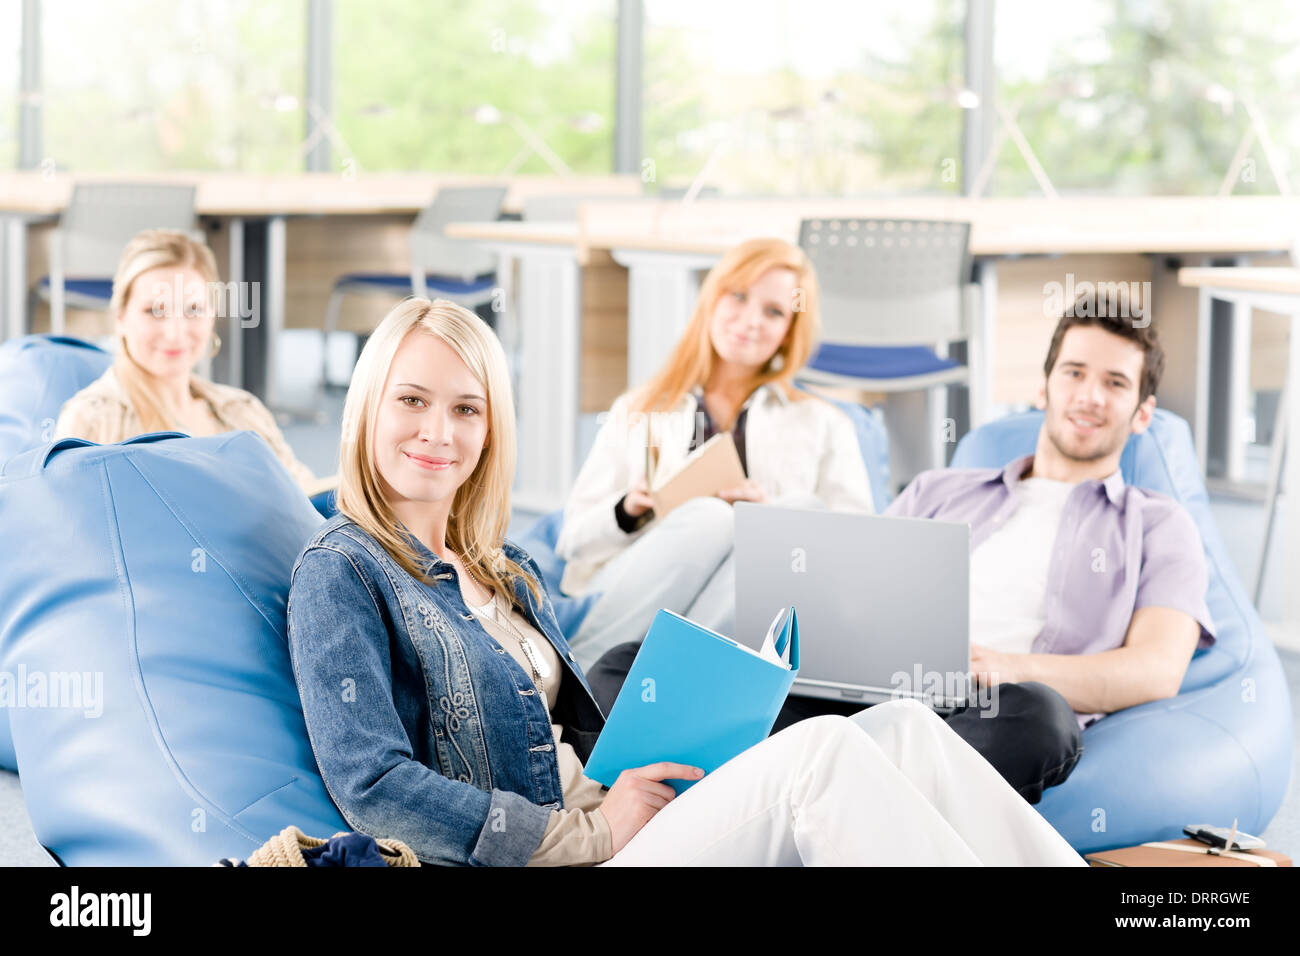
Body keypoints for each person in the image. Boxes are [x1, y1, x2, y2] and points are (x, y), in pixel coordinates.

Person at [284, 296, 1084, 866]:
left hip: (624, 806)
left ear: (492, 429)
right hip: (573, 853)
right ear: (366, 410)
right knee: (823, 757)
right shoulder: (343, 572)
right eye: (412, 401)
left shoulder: (506, 566)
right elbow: (375, 787)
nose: (438, 431)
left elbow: (563, 731)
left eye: (467, 409)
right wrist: (590, 834)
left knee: (907, 727)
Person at [769, 291, 1217, 805]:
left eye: (1115, 383)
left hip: (995, 709)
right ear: (1043, 388)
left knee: (1042, 719)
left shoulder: (1158, 523)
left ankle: (849, 802)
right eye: (1073, 373)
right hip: (888, 688)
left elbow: (1156, 670)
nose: (1090, 395)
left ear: (1142, 414)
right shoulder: (938, 489)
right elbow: (860, 597)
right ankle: (856, 796)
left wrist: (1006, 668)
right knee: (733, 677)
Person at [556, 237, 874, 674]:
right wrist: (630, 511)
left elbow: (858, 556)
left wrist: (767, 523)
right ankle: (602, 675)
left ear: (789, 331)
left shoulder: (826, 423)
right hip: (635, 593)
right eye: (738, 297)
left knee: (796, 511)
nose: (751, 321)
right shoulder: (640, 409)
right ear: (712, 300)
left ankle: (671, 681)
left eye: (774, 311)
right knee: (711, 518)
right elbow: (572, 541)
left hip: (744, 602)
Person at [55, 228, 322, 493]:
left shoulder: (243, 411)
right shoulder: (92, 420)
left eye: (194, 310)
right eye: (155, 311)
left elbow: (306, 502)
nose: (175, 333)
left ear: (212, 316)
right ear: (121, 317)